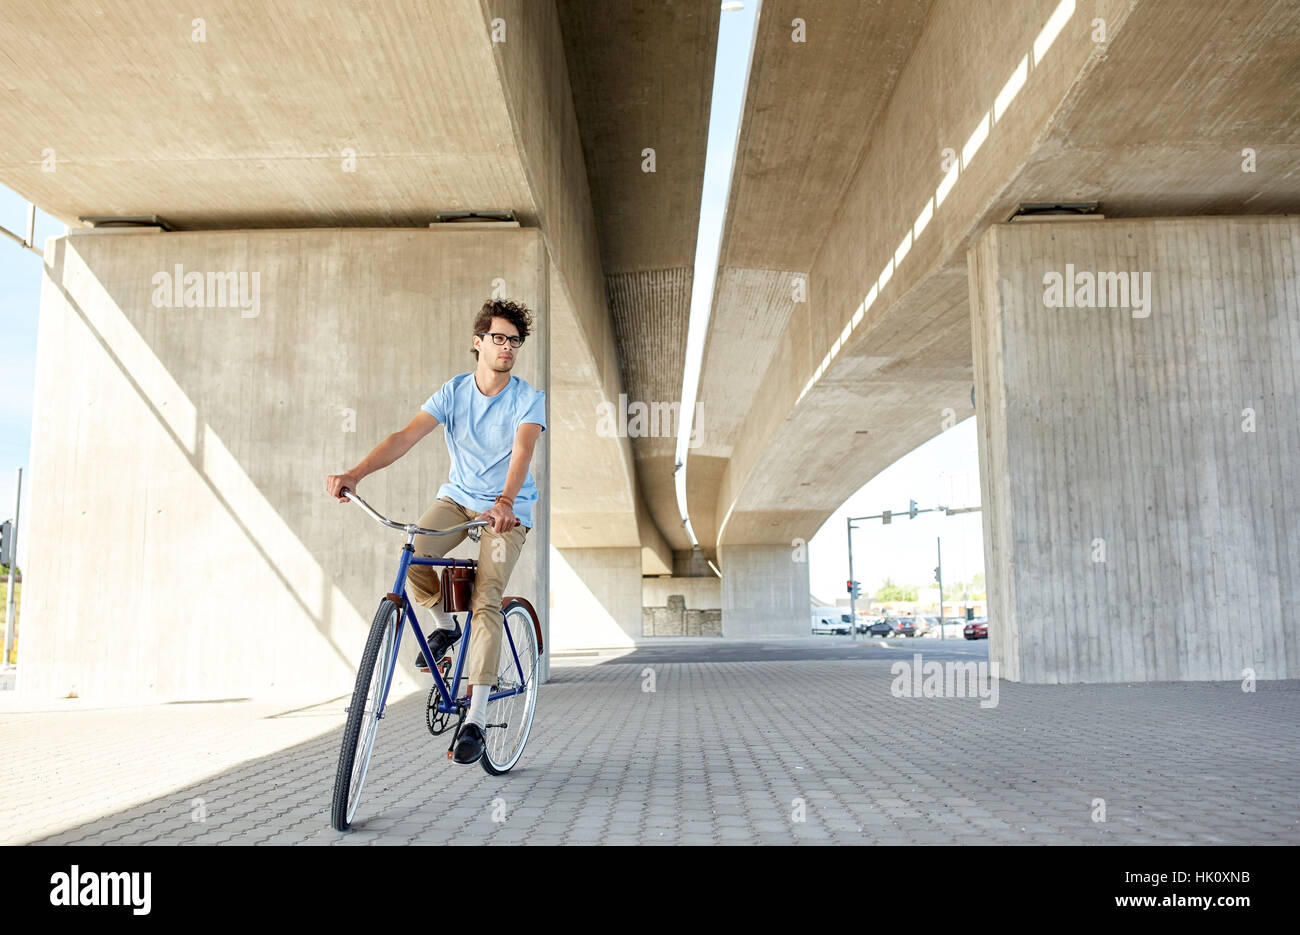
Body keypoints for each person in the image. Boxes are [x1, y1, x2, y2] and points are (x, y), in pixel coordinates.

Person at [325, 298, 545, 765]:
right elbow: (405, 436)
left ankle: (476, 721)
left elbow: (522, 453)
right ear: (478, 342)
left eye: (514, 341)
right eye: (498, 338)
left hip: (506, 511)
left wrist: (505, 502)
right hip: (458, 500)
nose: (507, 347)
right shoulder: (453, 392)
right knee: (415, 555)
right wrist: (356, 473)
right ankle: (444, 627)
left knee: (485, 597)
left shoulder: (527, 399)